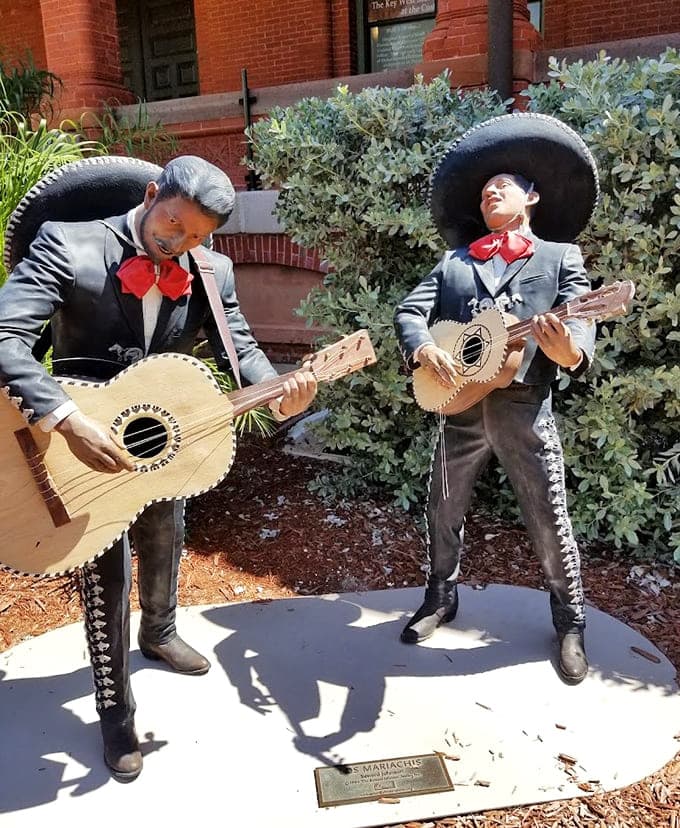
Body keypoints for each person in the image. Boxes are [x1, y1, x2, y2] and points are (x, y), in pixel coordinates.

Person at [0, 155, 317, 781]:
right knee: (108, 575)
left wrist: (279, 386)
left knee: (167, 533)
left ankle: (161, 631)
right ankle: (116, 710)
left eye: (198, 236)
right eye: (173, 225)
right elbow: (5, 334)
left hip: (157, 433)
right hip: (75, 441)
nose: (180, 245)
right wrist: (63, 415)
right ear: (152, 195)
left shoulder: (210, 269)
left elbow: (242, 345)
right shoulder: (69, 242)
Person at [394, 113, 599, 686]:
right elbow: (411, 312)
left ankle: (570, 619)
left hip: (521, 406)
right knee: (443, 503)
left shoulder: (561, 257)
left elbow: (580, 318)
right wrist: (421, 350)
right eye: (485, 193)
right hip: (458, 403)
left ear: (531, 197)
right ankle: (440, 596)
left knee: (546, 510)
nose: (491, 195)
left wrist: (569, 352)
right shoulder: (455, 262)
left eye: (502, 187)